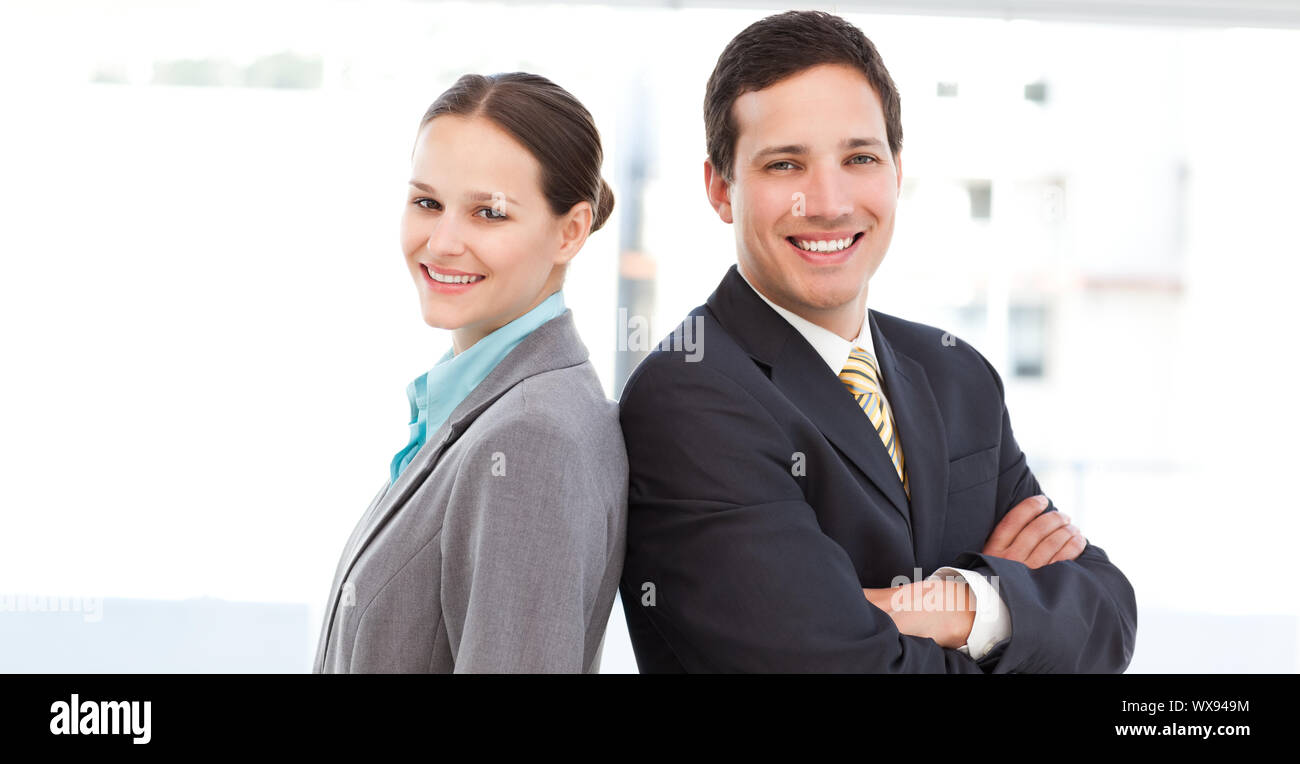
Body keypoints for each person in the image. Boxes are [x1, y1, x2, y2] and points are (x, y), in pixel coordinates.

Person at [617, 10, 1137, 672]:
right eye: (785, 164)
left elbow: (1107, 614)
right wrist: (1008, 610)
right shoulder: (688, 394)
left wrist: (954, 606)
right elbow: (818, 663)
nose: (828, 202)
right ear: (721, 188)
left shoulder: (957, 375)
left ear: (896, 169)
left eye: (859, 157)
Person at [314, 72, 627, 673]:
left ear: (571, 230)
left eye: (489, 213)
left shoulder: (531, 439)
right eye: (427, 203)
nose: (443, 242)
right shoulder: (489, 402)